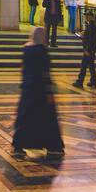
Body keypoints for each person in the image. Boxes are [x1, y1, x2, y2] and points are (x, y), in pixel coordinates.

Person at [11, 26, 64, 159]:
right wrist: (49, 91)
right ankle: (53, 146)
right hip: (40, 91)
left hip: (28, 89)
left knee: (25, 118)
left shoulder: (26, 49)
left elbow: (23, 69)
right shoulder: (42, 51)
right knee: (46, 119)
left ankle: (18, 146)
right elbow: (45, 73)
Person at [72, 15, 96, 88]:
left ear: (92, 17)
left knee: (84, 66)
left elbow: (91, 39)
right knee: (91, 66)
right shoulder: (92, 26)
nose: (87, 18)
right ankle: (93, 82)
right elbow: (89, 38)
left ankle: (80, 82)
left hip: (89, 50)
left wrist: (87, 49)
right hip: (91, 50)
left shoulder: (91, 27)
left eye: (88, 17)